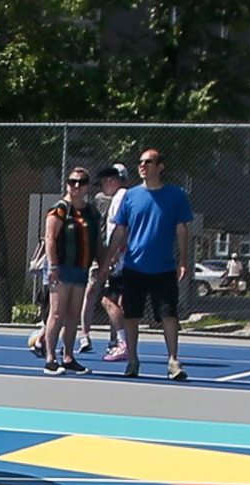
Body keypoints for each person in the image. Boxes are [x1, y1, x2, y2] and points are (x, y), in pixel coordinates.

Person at [105, 142, 198, 380]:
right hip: (134, 267)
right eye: (141, 162)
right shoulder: (131, 196)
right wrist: (107, 259)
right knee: (131, 315)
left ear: (160, 167)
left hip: (164, 267)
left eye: (148, 162)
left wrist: (183, 260)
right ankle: (133, 361)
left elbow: (182, 229)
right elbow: (120, 229)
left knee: (169, 315)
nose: (143, 166)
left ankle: (173, 360)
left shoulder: (176, 195)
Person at [32, 165, 97, 374]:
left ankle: (68, 356)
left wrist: (103, 263)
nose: (76, 186)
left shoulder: (91, 212)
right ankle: (50, 358)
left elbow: (98, 240)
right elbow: (50, 237)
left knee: (73, 314)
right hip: (61, 268)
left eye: (81, 182)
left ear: (88, 186)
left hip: (81, 267)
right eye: (72, 181)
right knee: (57, 313)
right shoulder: (59, 209)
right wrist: (53, 265)